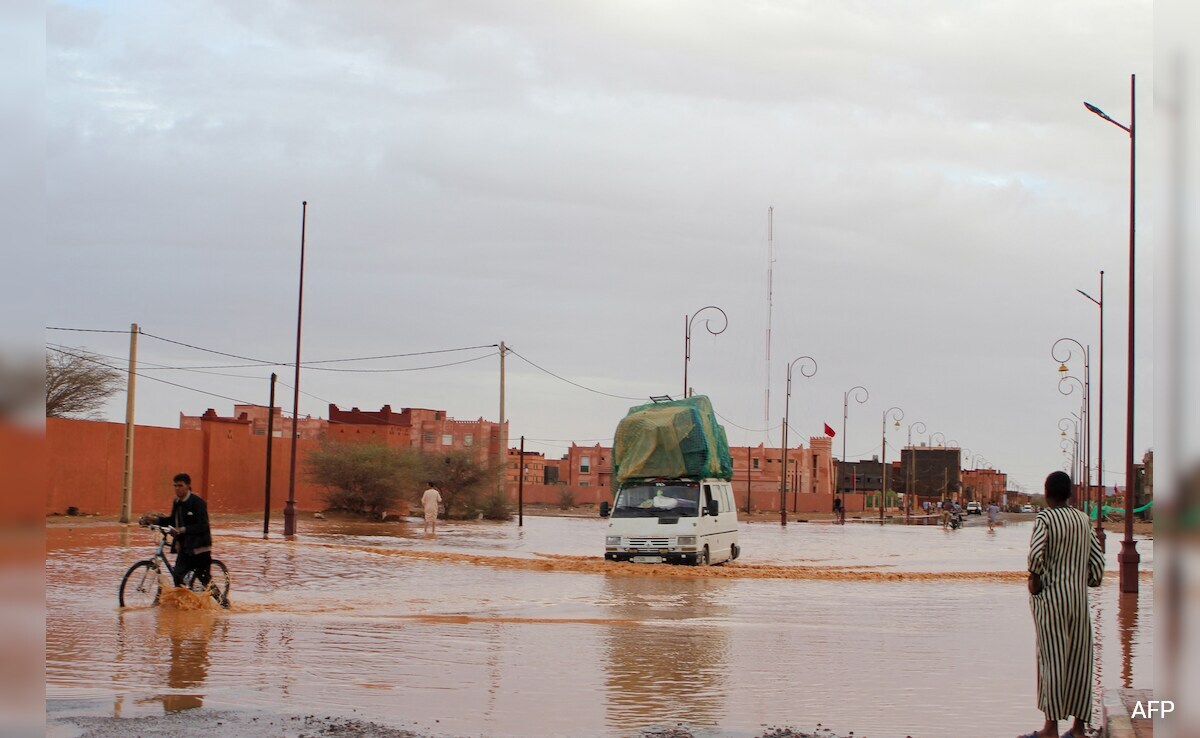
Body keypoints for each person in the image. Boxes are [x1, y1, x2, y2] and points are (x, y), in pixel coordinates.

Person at [1019, 471, 1104, 738]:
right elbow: (1097, 567)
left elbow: (1035, 555)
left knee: (1052, 661)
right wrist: (1084, 579)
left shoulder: (1046, 518)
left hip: (1051, 602)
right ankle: (1078, 728)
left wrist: (1034, 581)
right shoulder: (1083, 520)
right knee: (1080, 661)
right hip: (1078, 603)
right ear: (1070, 494)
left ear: (1047, 494)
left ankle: (1051, 728)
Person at [139, 473, 212, 589]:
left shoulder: (198, 503)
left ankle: (224, 603)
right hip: (185, 547)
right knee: (177, 576)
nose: (177, 489)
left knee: (205, 582)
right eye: (175, 486)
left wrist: (182, 530)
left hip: (200, 549)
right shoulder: (177, 502)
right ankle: (184, 604)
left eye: (180, 486)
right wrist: (155, 520)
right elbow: (172, 520)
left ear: (188, 486)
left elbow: (202, 526)